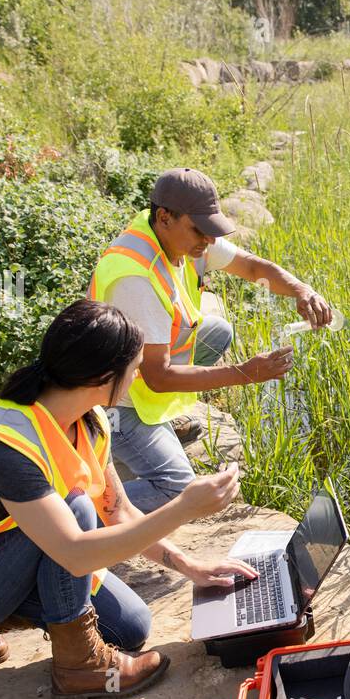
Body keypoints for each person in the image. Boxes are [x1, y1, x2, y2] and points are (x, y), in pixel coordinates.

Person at [0, 299, 258, 699]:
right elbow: (75, 554)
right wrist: (183, 508)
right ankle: (78, 667)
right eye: (133, 369)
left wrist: (191, 565)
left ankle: (6, 620)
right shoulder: (5, 448)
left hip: (7, 556)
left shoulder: (90, 420)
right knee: (77, 508)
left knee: (130, 629)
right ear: (102, 376)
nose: (137, 379)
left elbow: (117, 510)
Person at [88, 167, 333, 512]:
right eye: (199, 230)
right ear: (164, 217)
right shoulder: (136, 279)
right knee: (178, 493)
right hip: (118, 401)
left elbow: (251, 268)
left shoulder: (179, 236)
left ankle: (164, 425)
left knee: (218, 332)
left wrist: (300, 290)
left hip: (144, 374)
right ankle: (78, 512)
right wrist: (244, 373)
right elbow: (157, 379)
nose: (207, 241)